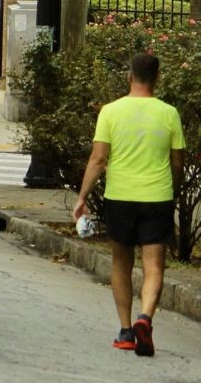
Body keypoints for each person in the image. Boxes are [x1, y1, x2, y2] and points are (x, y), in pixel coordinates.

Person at [74, 52, 185, 357]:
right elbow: (177, 162)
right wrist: (173, 190)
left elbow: (98, 159)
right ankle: (145, 318)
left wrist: (82, 197)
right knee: (154, 266)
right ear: (157, 79)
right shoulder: (169, 114)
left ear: (129, 77)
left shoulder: (111, 112)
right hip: (157, 198)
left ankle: (125, 332)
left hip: (119, 197)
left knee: (121, 264)